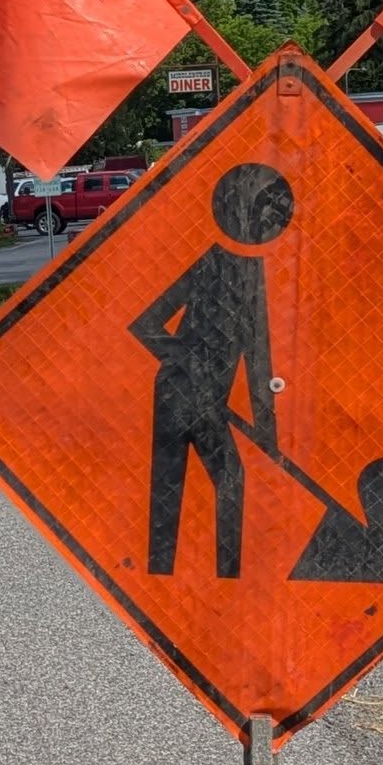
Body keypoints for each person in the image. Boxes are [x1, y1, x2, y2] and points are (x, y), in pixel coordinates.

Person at [129, 163, 293, 578]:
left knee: (225, 479)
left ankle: (220, 576)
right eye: (266, 211)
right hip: (177, 392)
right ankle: (194, 575)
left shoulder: (253, 271)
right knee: (188, 485)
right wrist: (186, 357)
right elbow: (146, 324)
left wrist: (268, 436)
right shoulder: (213, 262)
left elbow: (259, 362)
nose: (272, 221)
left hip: (204, 398)